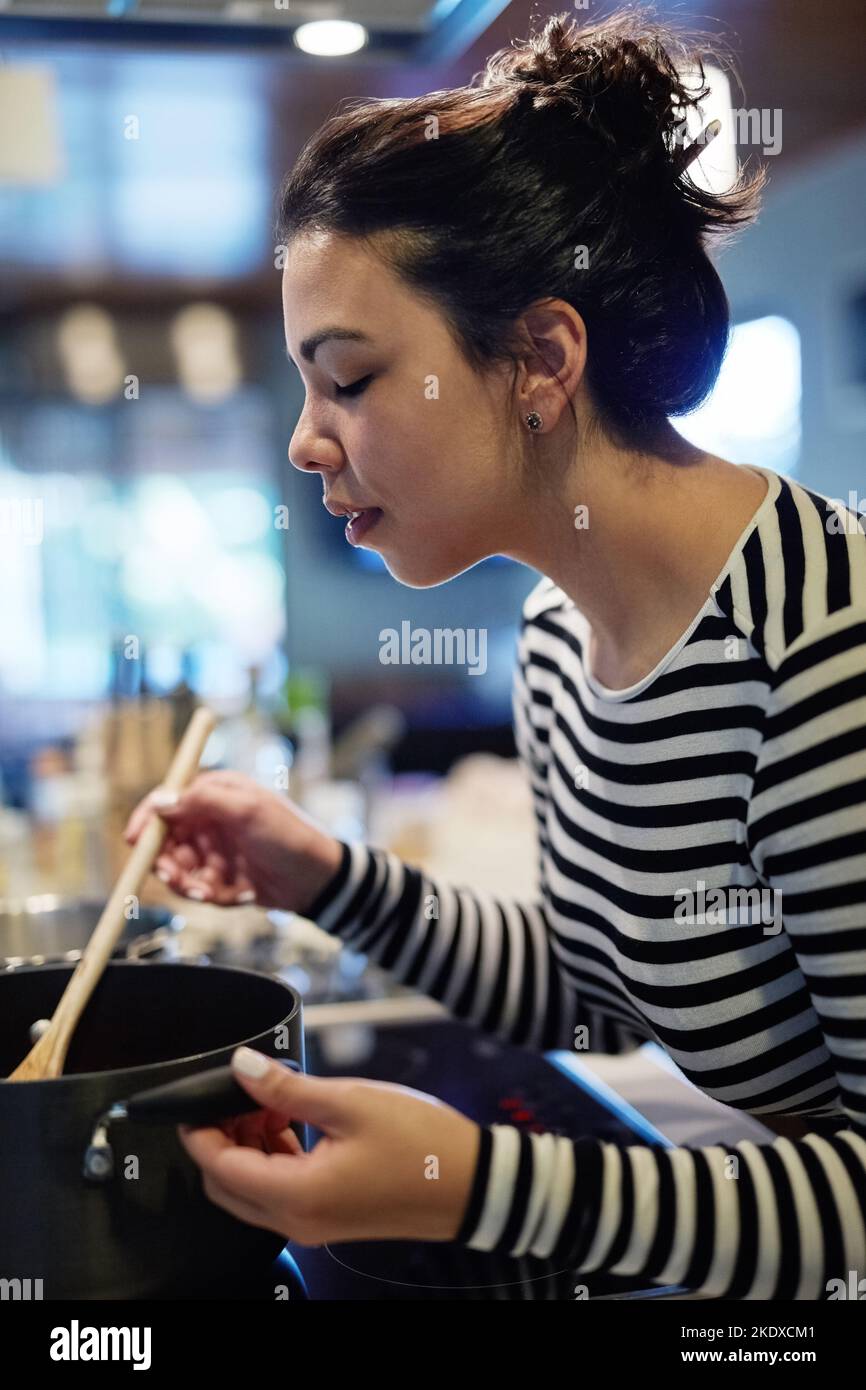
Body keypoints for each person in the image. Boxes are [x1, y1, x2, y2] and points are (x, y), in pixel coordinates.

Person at [125, 9, 866, 1298]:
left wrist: (473, 1183)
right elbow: (599, 992)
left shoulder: (822, 650)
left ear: (540, 358)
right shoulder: (559, 632)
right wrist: (323, 876)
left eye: (347, 380)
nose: (307, 442)